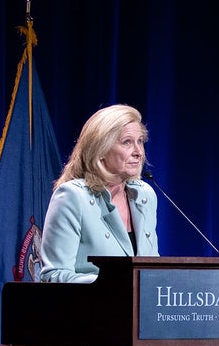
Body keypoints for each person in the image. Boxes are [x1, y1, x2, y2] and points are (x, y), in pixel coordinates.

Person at [40, 104, 160, 283]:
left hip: (138, 310)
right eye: (127, 142)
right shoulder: (73, 196)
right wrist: (110, 285)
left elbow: (153, 268)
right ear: (101, 149)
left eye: (140, 141)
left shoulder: (144, 196)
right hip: (89, 308)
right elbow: (53, 275)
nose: (138, 152)